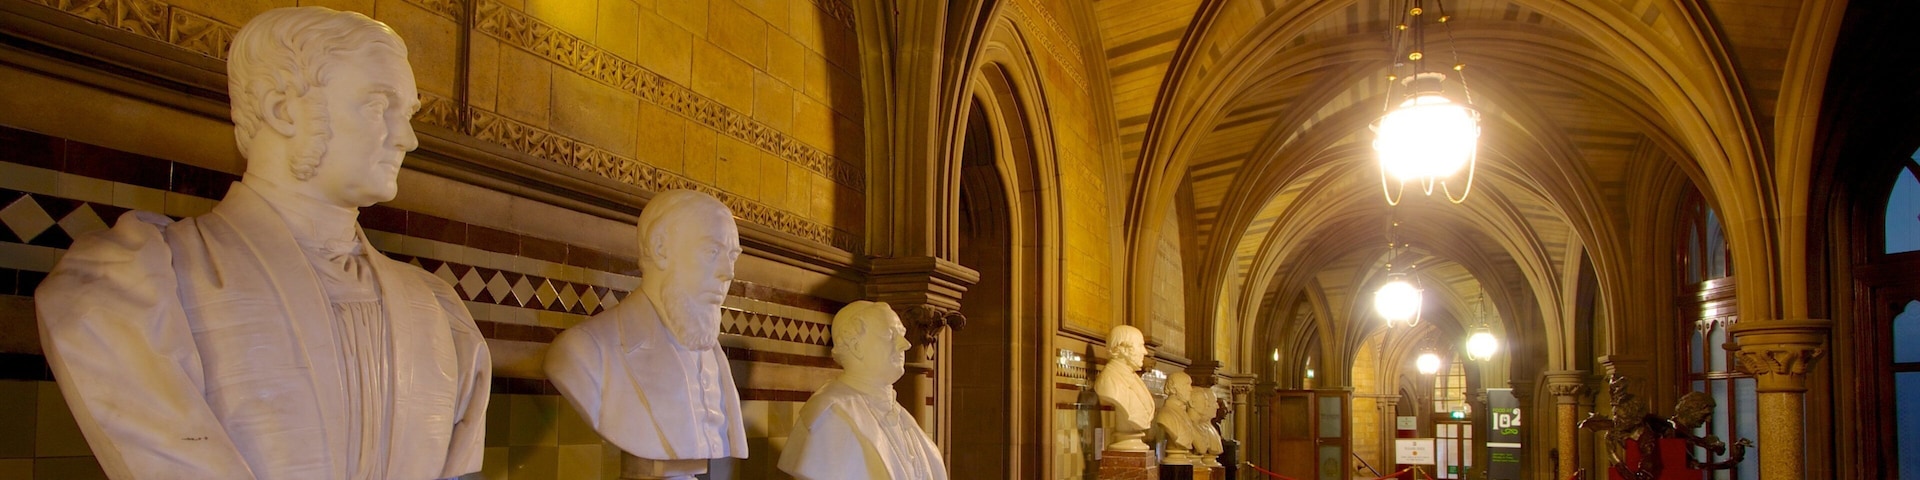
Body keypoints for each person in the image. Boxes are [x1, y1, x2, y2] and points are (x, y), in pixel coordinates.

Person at [34, 7, 491, 478]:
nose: (408, 139)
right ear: (282, 108)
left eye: (408, 114)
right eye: (379, 106)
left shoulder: (438, 310)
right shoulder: (130, 286)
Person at [544, 189, 749, 476]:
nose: (728, 272)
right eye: (712, 252)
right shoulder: (584, 352)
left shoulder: (715, 359)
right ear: (660, 248)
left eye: (733, 256)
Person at [778, 301, 947, 480]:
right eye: (891, 335)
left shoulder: (900, 415)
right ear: (856, 345)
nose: (905, 344)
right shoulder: (831, 417)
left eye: (902, 335)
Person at [1094, 325, 1154, 452]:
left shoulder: (1134, 378)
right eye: (1140, 345)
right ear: (1124, 349)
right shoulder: (1108, 381)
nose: (1145, 352)